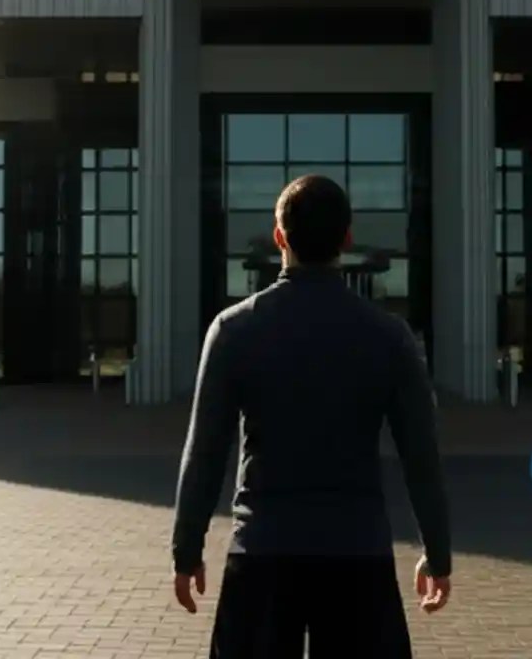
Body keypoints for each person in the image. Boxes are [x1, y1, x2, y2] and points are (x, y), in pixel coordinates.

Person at [170, 174, 453, 658]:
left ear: (280, 237)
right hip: (357, 553)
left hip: (262, 550)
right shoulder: (389, 337)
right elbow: (421, 456)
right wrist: (438, 554)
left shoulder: (234, 331)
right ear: (347, 238)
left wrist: (187, 549)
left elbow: (206, 451)